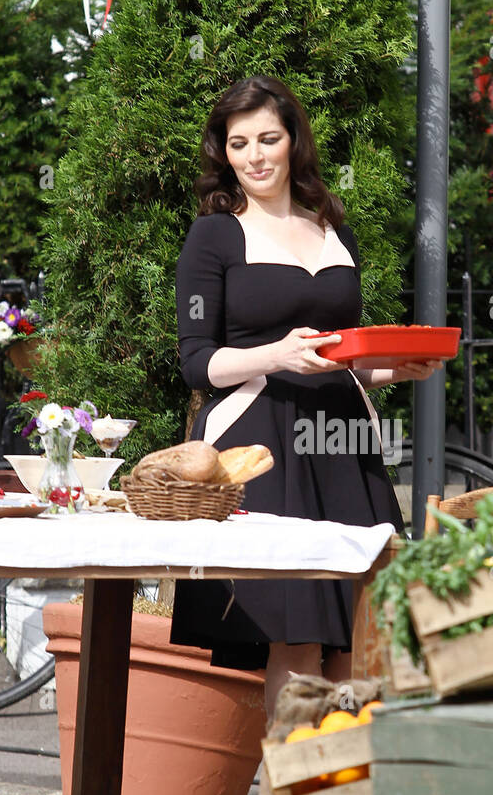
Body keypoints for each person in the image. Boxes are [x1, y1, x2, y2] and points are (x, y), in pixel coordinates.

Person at [170, 75, 442, 725]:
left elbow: (334, 361)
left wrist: (392, 370)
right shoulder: (215, 237)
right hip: (261, 443)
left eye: (269, 137)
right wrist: (275, 354)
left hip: (343, 442)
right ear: (223, 152)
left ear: (293, 141)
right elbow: (197, 363)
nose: (256, 155)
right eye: (239, 143)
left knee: (355, 628)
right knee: (295, 633)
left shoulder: (332, 228)